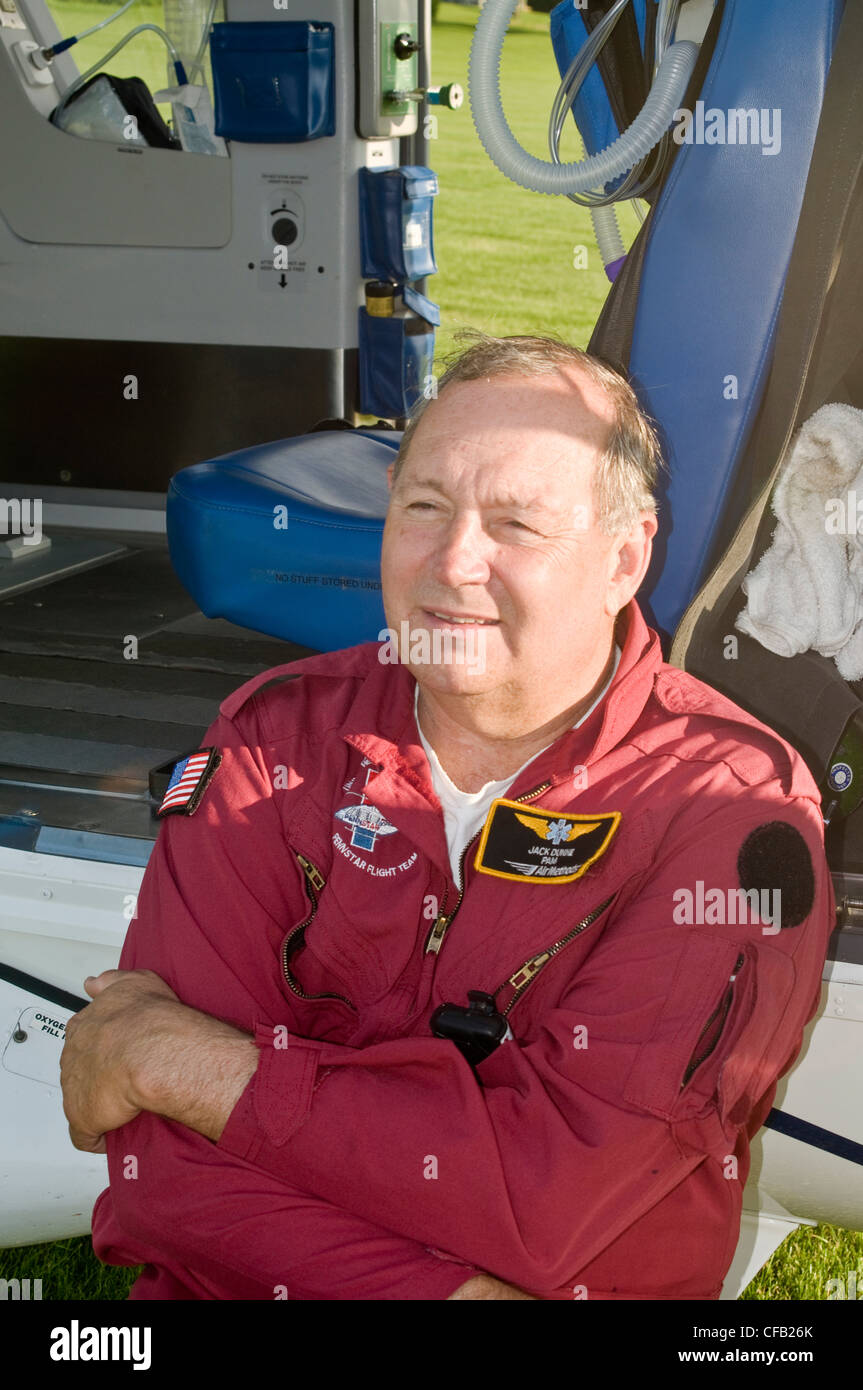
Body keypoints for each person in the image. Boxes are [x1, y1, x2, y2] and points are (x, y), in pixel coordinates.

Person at [60, 332, 835, 1300]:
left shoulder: (727, 811)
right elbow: (158, 1177)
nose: (453, 561)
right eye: (422, 506)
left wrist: (178, 1064)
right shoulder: (273, 737)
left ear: (621, 558)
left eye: (516, 522)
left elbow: (549, 1200)